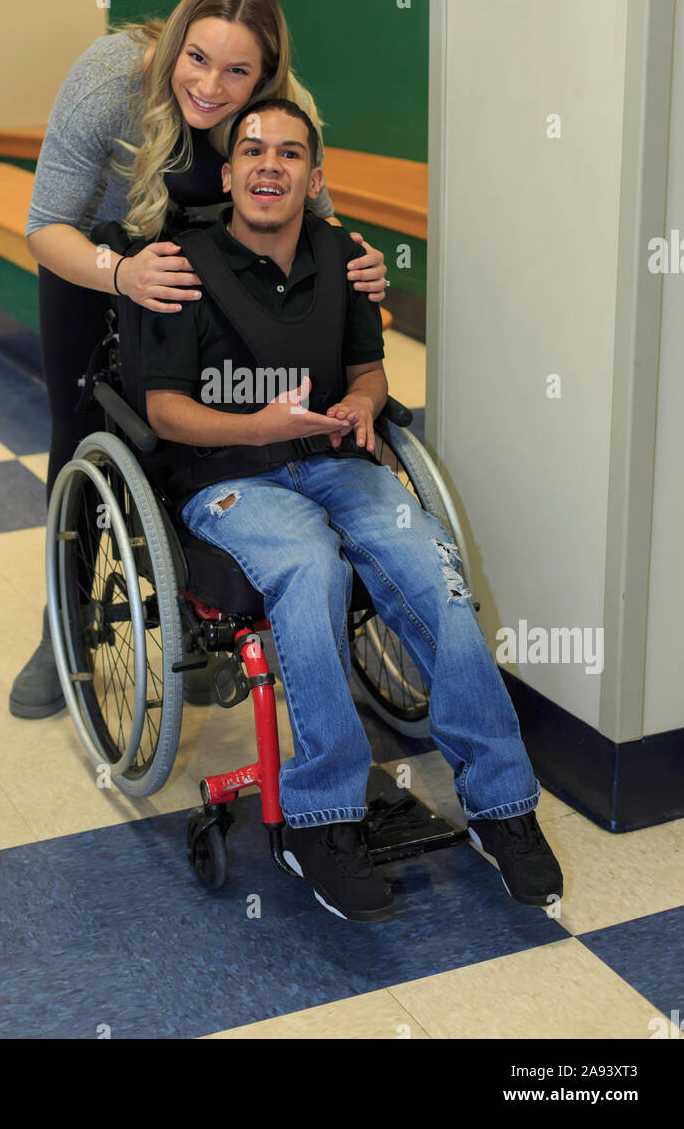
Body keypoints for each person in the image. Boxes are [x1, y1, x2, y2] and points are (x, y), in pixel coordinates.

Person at [139, 97, 563, 924]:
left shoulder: (343, 256)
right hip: (233, 479)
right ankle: (320, 820)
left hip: (337, 460)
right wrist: (256, 425)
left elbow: (368, 372)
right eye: (252, 151)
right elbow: (161, 410)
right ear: (226, 174)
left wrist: (366, 404)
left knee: (433, 576)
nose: (269, 165)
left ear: (314, 177)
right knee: (309, 569)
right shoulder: (182, 265)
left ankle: (503, 805)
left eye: (289, 154)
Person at [8, 0, 388, 718]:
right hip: (96, 262)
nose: (212, 86)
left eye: (238, 71)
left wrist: (356, 261)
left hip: (203, 271)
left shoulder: (285, 110)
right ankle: (65, 623)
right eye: (198, 60)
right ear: (174, 45)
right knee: (81, 430)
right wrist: (120, 274)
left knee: (200, 421)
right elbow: (43, 226)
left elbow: (316, 223)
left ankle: (202, 594)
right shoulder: (108, 81)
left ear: (266, 75)